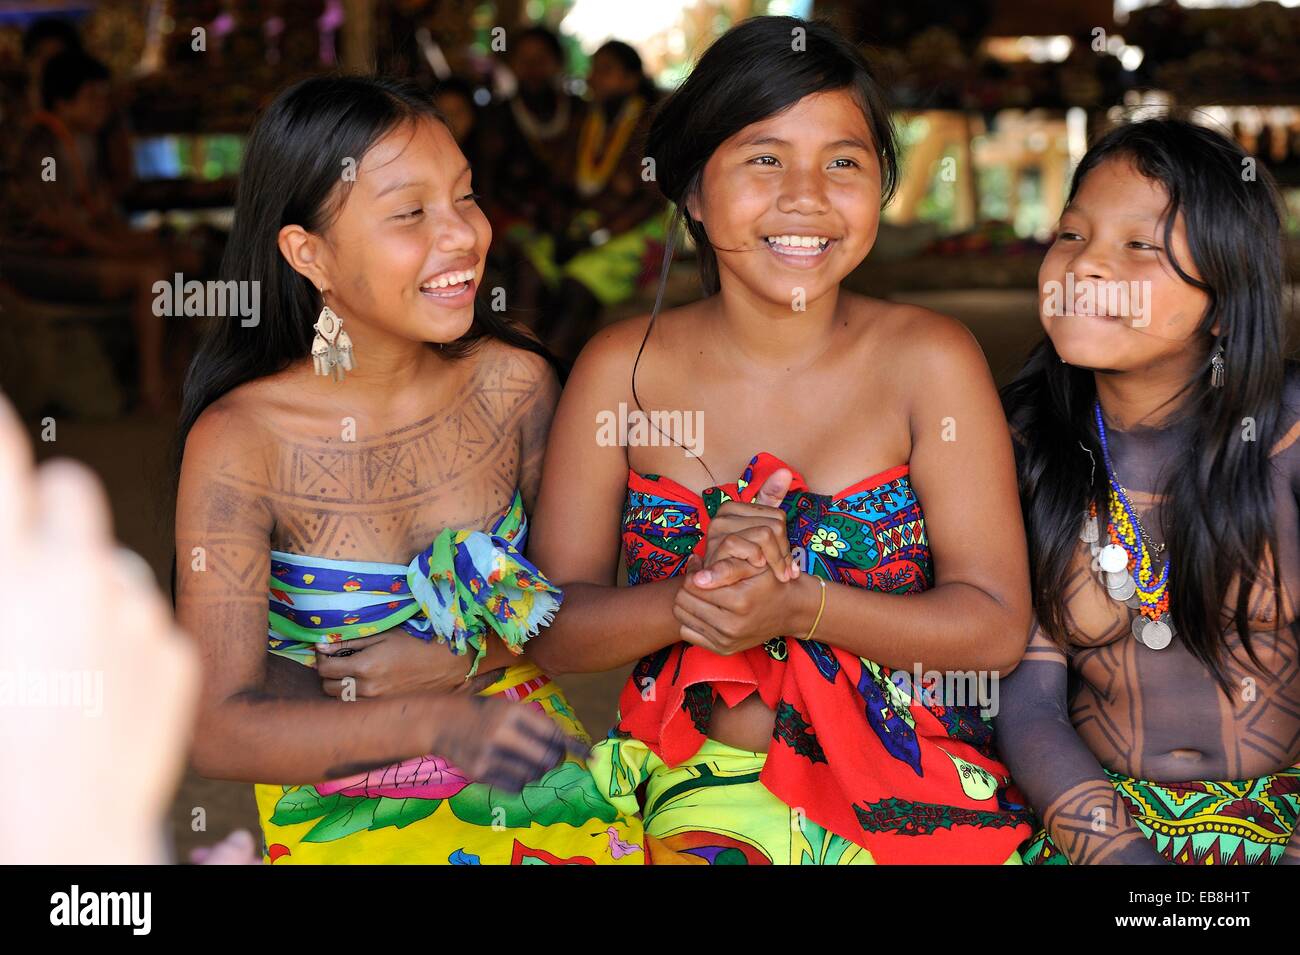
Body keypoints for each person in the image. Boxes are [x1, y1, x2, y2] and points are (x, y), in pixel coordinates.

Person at [526, 16, 1035, 865]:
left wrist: (802, 606)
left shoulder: (930, 360)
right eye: (764, 159)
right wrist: (695, 598)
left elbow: (993, 627)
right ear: (692, 191)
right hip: (688, 799)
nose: (806, 195)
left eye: (844, 161)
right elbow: (553, 624)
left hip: (911, 797)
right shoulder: (624, 368)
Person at [174, 75, 649, 865]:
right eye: (410, 213)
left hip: (539, 789)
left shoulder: (514, 384)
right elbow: (218, 728)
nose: (463, 234)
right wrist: (435, 723)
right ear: (308, 254)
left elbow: (576, 616)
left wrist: (469, 662)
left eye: (466, 197)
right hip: (345, 816)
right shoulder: (241, 441)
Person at [997, 118, 1300, 865]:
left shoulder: (1291, 439)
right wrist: (1129, 864)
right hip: (1096, 823)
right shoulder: (1021, 445)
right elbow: (1029, 701)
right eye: (1071, 236)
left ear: (1226, 301)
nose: (1086, 267)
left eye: (1139, 247)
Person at [0, 49, 179, 412]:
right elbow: (66, 224)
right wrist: (125, 250)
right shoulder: (42, 146)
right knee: (152, 277)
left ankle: (174, 377)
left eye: (105, 97)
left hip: (73, 251)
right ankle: (151, 389)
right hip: (32, 261)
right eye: (92, 98)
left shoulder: (83, 141)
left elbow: (97, 215)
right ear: (63, 102)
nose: (104, 107)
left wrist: (140, 243)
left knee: (176, 261)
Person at [518, 40, 667, 361]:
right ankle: (518, 362)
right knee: (530, 268)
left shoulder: (649, 125)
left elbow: (649, 202)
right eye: (593, 69)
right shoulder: (585, 119)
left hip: (633, 232)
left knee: (576, 285)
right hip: (583, 225)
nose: (593, 77)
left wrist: (596, 237)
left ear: (631, 80)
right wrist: (560, 230)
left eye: (605, 71)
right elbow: (560, 185)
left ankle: (552, 376)